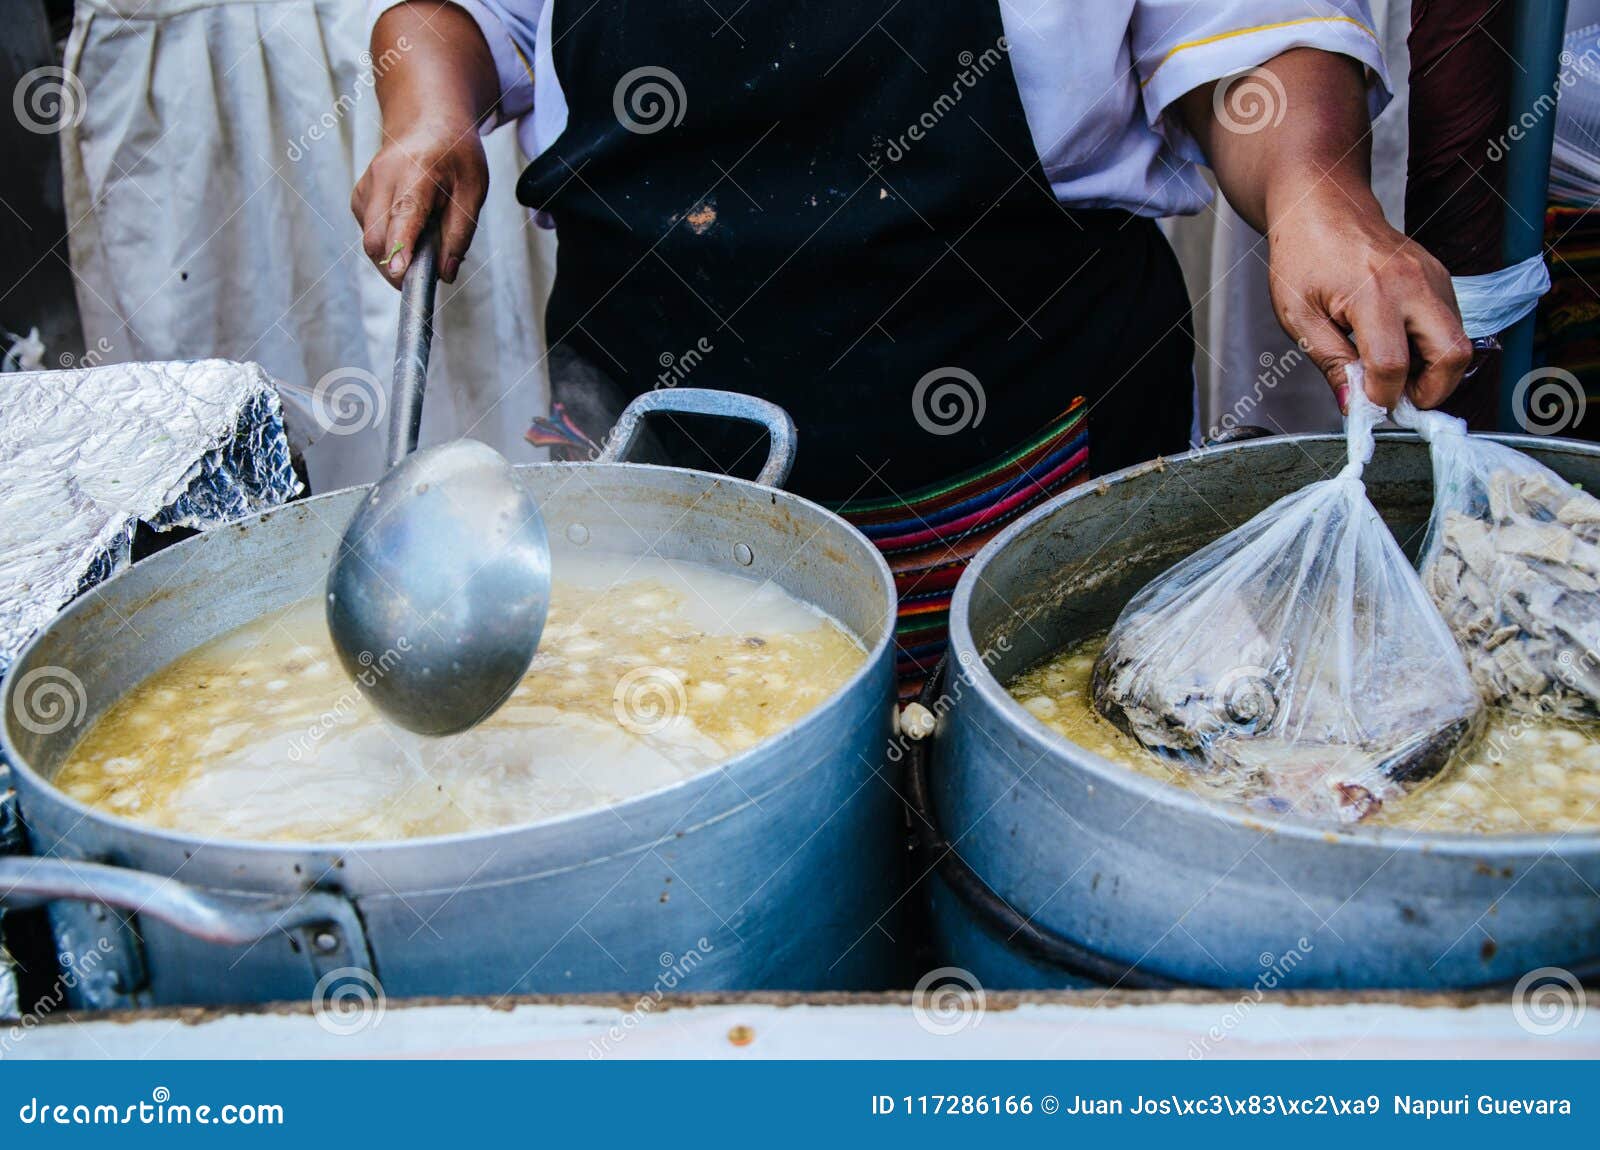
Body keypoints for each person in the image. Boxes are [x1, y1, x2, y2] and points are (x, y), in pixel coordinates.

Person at [355, 1, 1473, 697]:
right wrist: (427, 109)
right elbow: (451, 17)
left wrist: (1316, 193)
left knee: (1018, 836)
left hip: (1015, 460)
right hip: (648, 478)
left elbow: (1245, 30)